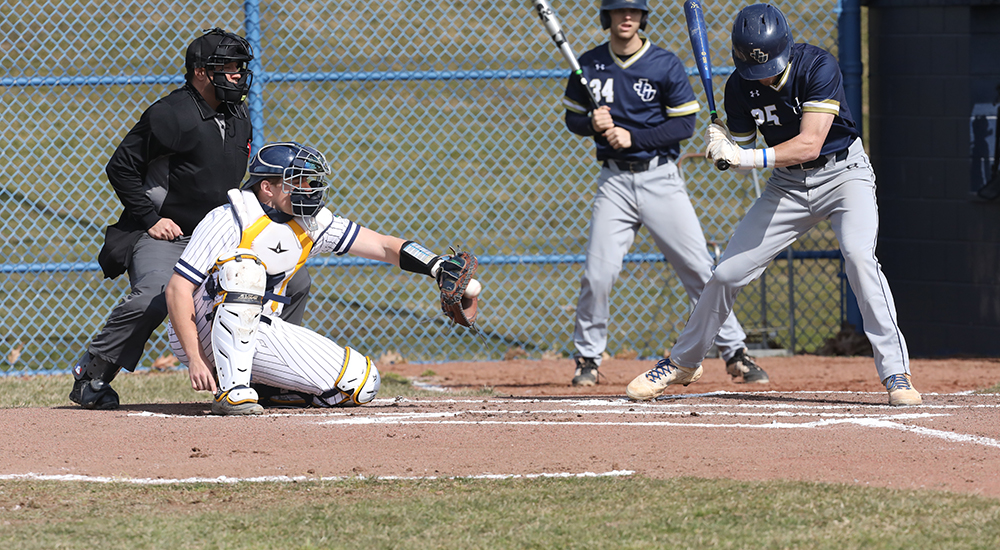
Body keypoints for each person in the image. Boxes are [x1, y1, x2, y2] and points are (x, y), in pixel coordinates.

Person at [625, 4, 920, 406]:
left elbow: (809, 143)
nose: (763, 76)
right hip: (788, 186)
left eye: (770, 67)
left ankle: (896, 373)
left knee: (859, 258)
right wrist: (723, 141)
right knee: (727, 273)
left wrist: (743, 157)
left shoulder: (818, 66)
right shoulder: (738, 87)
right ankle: (683, 362)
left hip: (843, 175)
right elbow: (742, 147)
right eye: (754, 70)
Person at [68, 28, 310, 410]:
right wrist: (149, 219)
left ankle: (267, 376)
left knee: (294, 280)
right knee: (156, 292)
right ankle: (93, 372)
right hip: (170, 235)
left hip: (221, 234)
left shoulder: (237, 114)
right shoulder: (170, 114)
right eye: (228, 67)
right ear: (201, 71)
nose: (237, 75)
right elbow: (121, 167)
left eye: (240, 67)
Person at [165, 141, 474, 415]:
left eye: (307, 180)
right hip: (201, 327)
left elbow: (383, 245)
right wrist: (195, 357)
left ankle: (269, 389)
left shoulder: (311, 223)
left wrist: (436, 265)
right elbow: (178, 289)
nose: (307, 188)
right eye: (294, 181)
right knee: (244, 269)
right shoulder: (230, 218)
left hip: (259, 329)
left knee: (360, 384)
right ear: (266, 188)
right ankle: (231, 392)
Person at [562, 0, 768, 387]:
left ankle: (735, 352)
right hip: (614, 183)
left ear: (642, 17)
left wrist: (633, 136)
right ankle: (588, 357)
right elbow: (572, 116)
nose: (627, 18)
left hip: (660, 179)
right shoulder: (588, 63)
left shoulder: (664, 63)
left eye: (635, 11)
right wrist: (591, 122)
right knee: (598, 273)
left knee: (699, 269)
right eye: (619, 11)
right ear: (607, 17)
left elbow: (683, 125)